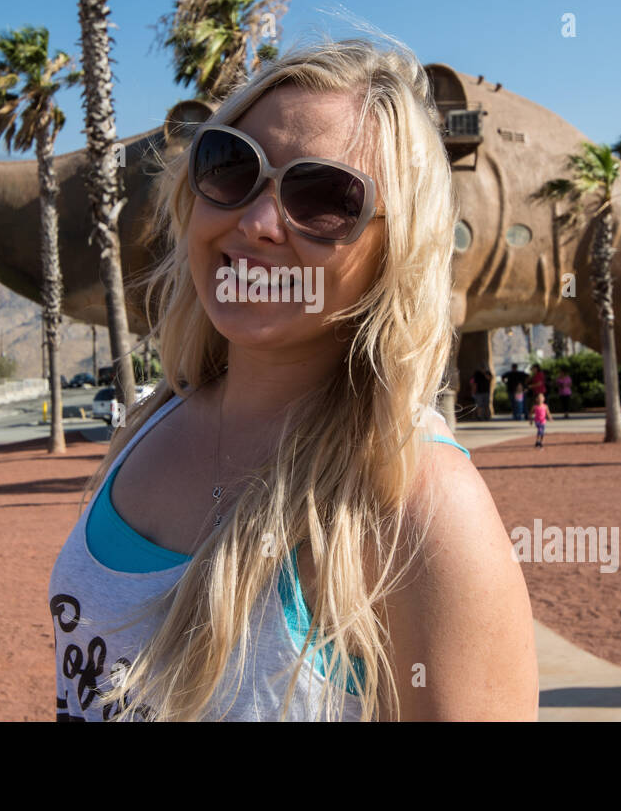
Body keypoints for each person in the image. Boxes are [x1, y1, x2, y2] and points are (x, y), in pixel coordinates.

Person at [47, 37, 538, 722]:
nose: (256, 223)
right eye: (230, 168)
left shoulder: (417, 501)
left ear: (395, 251)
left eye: (325, 198)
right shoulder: (151, 421)